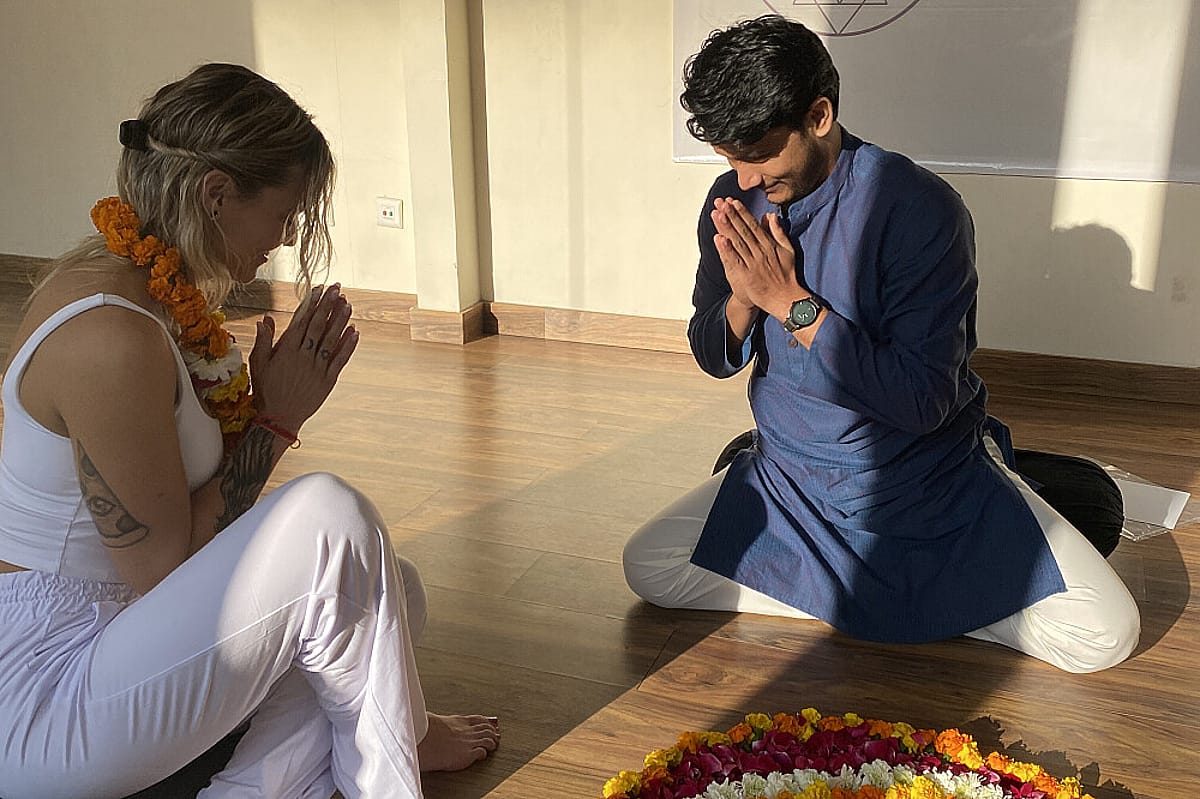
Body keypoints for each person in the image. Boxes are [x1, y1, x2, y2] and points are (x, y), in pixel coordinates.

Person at [0, 63, 498, 799]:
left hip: (117, 629)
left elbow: (172, 511)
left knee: (389, 591)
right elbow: (163, 570)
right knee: (331, 518)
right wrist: (276, 419)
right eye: (284, 212)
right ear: (216, 194)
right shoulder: (111, 335)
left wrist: (262, 406)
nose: (287, 236)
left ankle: (256, 784)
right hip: (47, 691)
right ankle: (394, 755)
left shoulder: (147, 295)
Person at [622, 16, 1140, 674]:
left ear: (818, 114)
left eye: (756, 154)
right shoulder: (733, 202)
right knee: (650, 568)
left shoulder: (920, 210)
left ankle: (897, 567)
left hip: (922, 485)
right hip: (792, 483)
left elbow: (921, 402)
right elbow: (711, 350)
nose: (743, 178)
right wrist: (745, 297)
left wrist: (791, 302)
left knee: (1105, 634)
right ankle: (898, 601)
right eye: (729, 158)